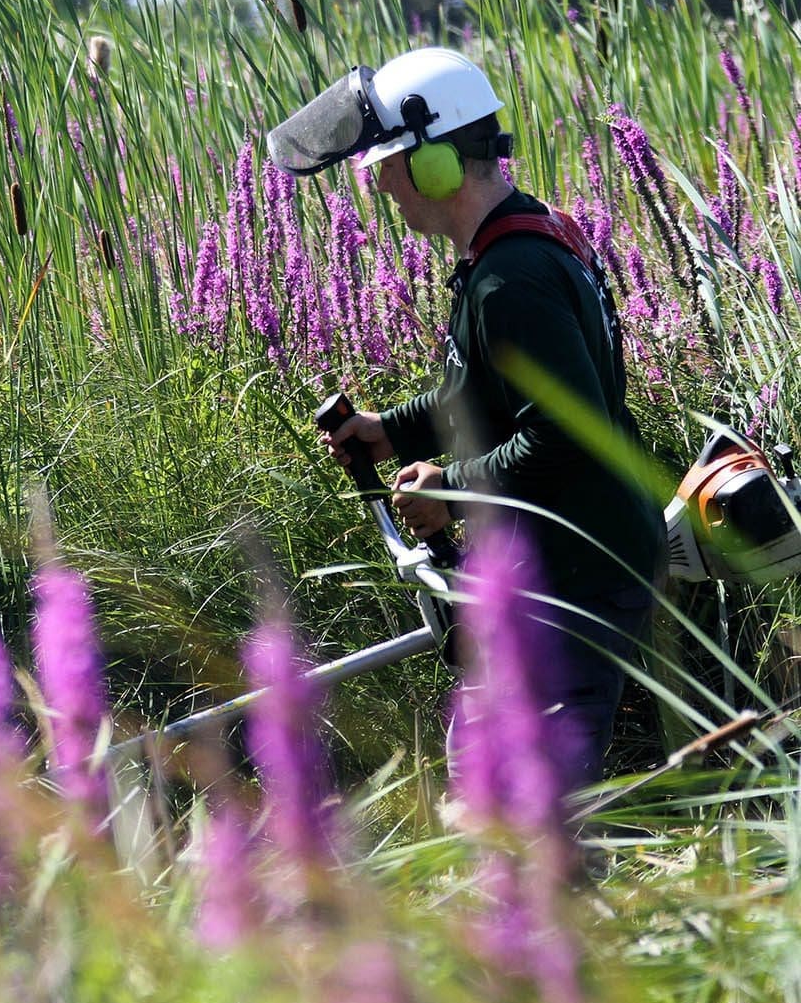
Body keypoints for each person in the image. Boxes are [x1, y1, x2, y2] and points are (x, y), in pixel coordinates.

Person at [267, 47, 666, 788]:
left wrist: (448, 486)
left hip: (576, 579)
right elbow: (490, 390)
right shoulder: (523, 239)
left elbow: (563, 435)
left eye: (387, 162)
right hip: (557, 568)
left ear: (436, 166)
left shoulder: (510, 279)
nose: (381, 184)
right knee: (491, 781)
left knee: (531, 806)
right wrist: (395, 429)